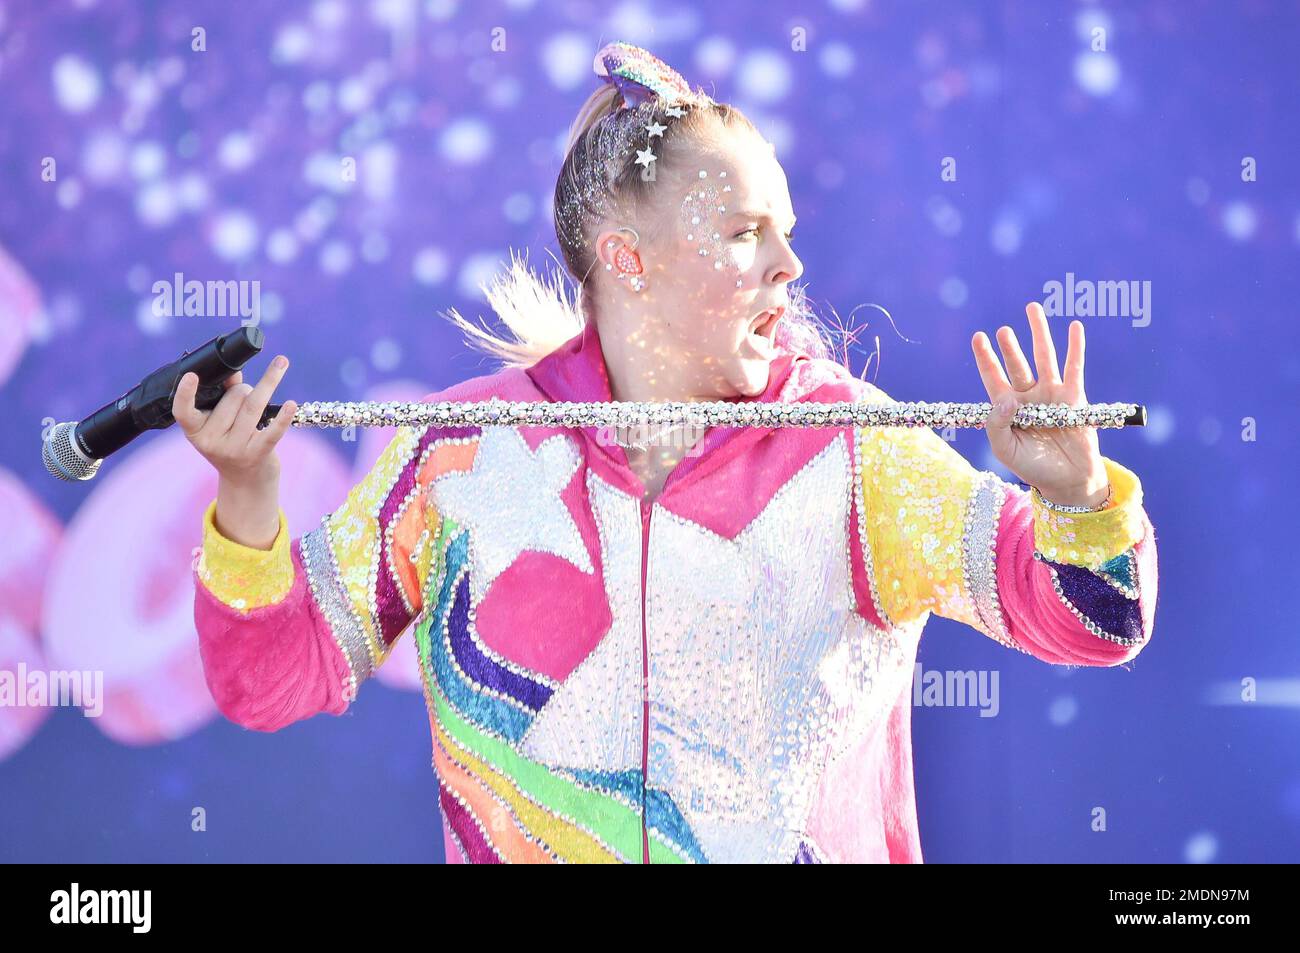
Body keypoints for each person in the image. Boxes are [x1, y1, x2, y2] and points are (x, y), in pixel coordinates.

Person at [177, 42, 1158, 863]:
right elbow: (270, 683)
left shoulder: (863, 455)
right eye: (744, 231)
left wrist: (1075, 493)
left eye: (786, 229)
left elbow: (1096, 621)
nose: (790, 264)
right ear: (626, 257)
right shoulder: (454, 455)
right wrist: (249, 496)